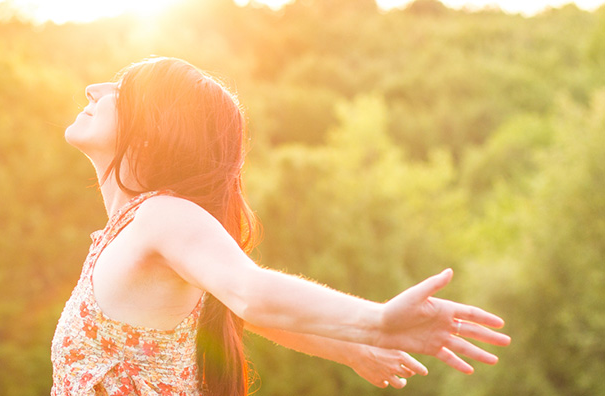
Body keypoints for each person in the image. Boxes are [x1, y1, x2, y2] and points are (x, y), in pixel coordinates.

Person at [51, 57, 510, 396]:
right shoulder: (130, 232)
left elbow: (250, 292)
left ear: (153, 131)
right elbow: (230, 310)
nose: (94, 88)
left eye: (120, 89)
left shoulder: (162, 215)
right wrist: (345, 346)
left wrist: (377, 323)